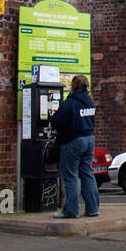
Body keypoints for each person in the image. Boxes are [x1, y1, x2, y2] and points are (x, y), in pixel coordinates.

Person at [49, 74, 98, 218]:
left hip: (73, 141)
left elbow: (57, 120)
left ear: (73, 86)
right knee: (87, 174)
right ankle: (93, 208)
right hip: (89, 139)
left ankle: (71, 210)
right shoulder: (90, 101)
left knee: (71, 176)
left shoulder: (70, 103)